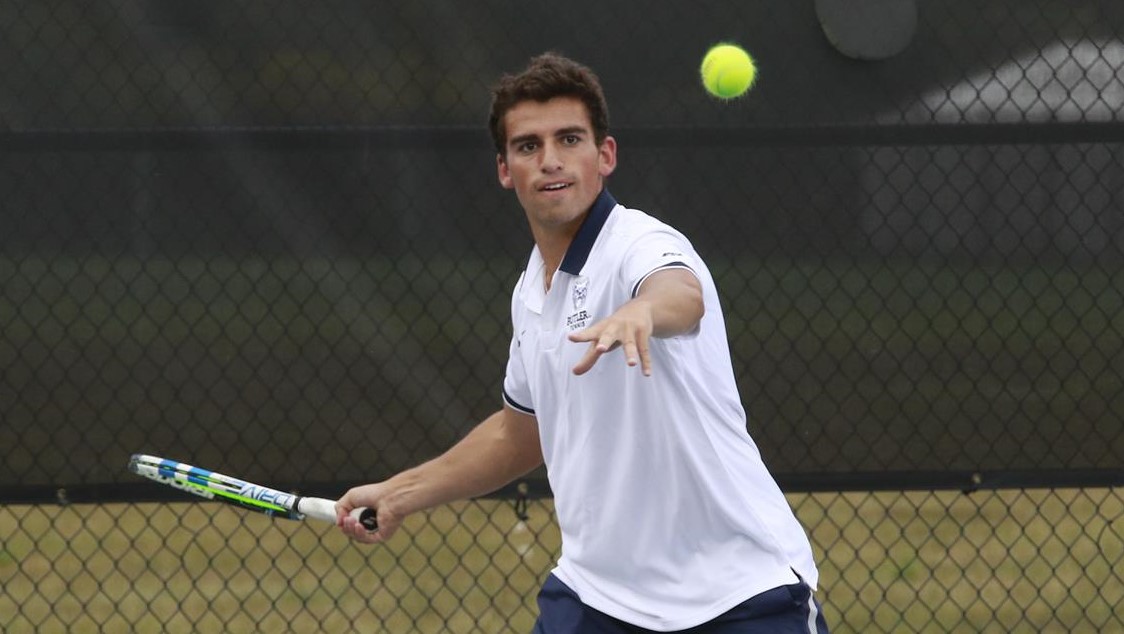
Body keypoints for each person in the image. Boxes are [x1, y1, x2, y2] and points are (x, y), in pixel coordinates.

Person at [336, 51, 830, 633]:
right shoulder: (530, 291)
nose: (550, 161)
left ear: (605, 155)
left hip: (738, 592)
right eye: (528, 146)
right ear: (504, 169)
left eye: (569, 139)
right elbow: (518, 434)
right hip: (599, 596)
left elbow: (680, 293)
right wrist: (399, 494)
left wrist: (641, 312)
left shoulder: (640, 243)